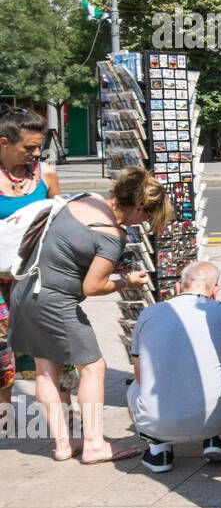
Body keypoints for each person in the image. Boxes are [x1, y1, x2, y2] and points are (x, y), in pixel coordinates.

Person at [8, 167, 170, 463]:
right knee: (94, 368)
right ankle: (94, 443)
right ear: (137, 207)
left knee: (46, 371)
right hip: (55, 301)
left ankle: (63, 444)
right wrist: (126, 282)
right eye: (145, 217)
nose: (142, 224)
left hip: (24, 291)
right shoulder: (111, 235)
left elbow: (71, 250)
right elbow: (93, 286)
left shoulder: (87, 199)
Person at [128, 261, 221, 473]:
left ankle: (158, 448)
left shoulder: (148, 314)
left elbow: (141, 375)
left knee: (134, 385)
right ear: (215, 291)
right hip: (214, 419)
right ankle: (219, 437)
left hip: (154, 422)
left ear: (178, 288)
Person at [0, 108, 62, 410]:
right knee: (1, 352)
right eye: (29, 147)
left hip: (38, 277)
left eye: (39, 146)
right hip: (1, 281)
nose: (36, 153)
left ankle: (66, 422)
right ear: (4, 143)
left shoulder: (45, 173)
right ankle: (4, 418)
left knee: (52, 345)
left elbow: (58, 221)